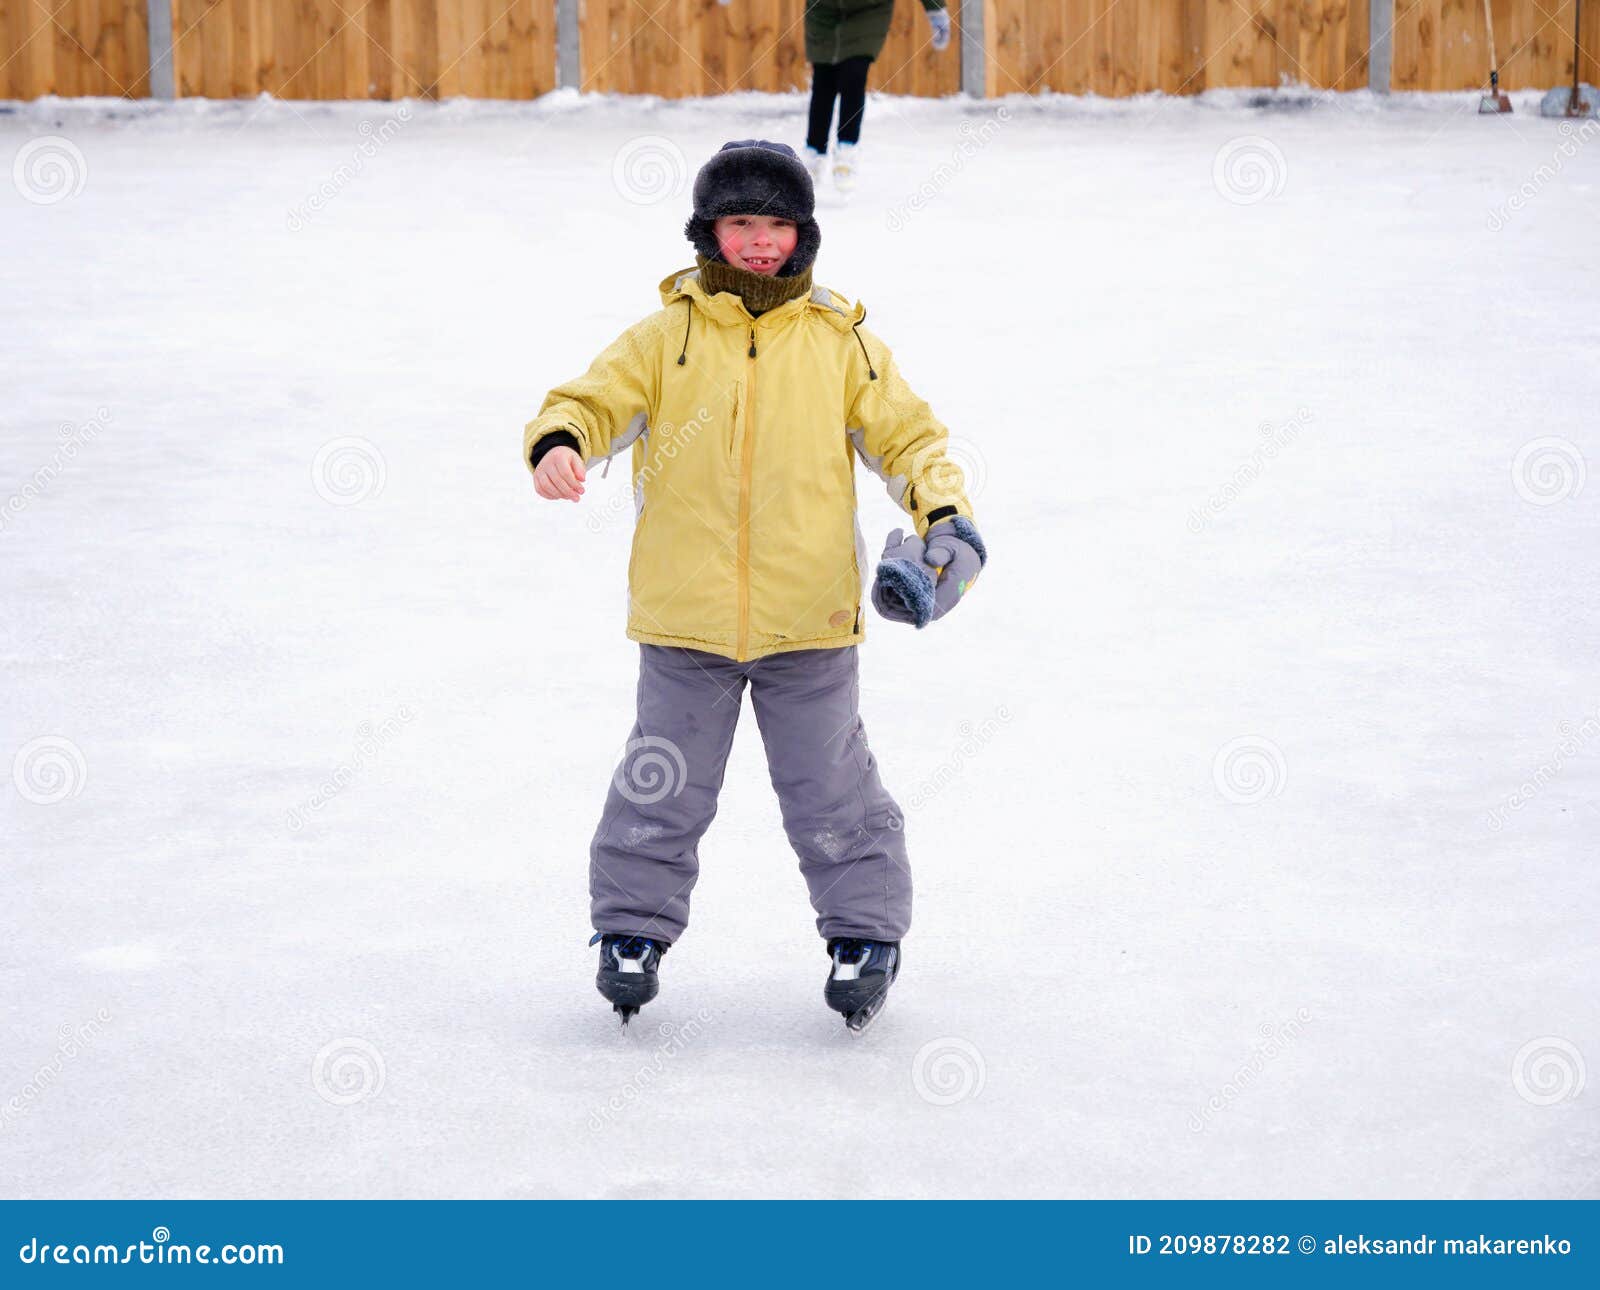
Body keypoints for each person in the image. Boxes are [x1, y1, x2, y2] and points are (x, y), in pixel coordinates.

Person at [522, 141, 987, 1031]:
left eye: (778, 224)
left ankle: (863, 936)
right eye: (743, 223)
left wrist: (943, 513)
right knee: (661, 782)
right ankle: (630, 933)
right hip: (685, 620)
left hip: (809, 620)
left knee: (830, 787)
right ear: (710, 232)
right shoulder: (667, 337)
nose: (762, 242)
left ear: (802, 233)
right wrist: (561, 443)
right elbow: (590, 399)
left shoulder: (840, 342)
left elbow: (911, 440)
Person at [804, 0, 953, 191]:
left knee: (854, 72)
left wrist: (935, 10)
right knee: (824, 78)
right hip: (823, 10)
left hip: (869, 10)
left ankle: (846, 150)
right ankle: (814, 153)